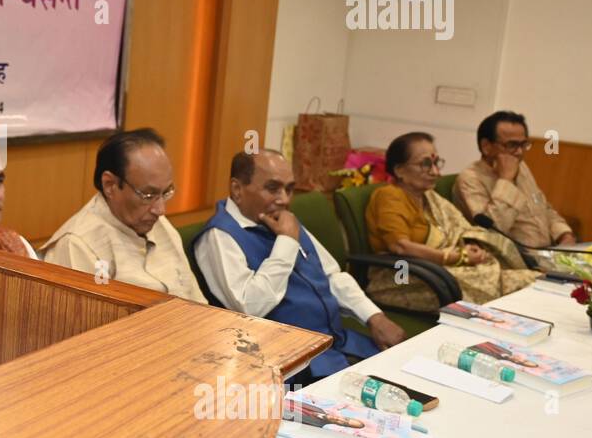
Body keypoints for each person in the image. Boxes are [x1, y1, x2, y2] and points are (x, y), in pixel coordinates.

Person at [193, 150, 405, 382]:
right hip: (290, 364)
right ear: (237, 189)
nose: (284, 199)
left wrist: (374, 316)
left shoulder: (282, 219)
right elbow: (249, 307)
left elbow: (332, 276)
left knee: (406, 376)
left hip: (336, 342)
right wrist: (286, 241)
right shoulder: (219, 235)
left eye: (289, 189)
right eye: (272, 188)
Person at [365, 131, 538, 310]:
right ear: (399, 170)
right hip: (402, 276)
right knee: (508, 284)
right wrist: (456, 257)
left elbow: (455, 230)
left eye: (436, 162)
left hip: (435, 269)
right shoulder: (389, 196)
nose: (435, 172)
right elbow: (400, 247)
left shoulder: (428, 197)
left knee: (523, 281)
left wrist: (467, 248)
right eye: (425, 164)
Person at [41, 129, 204, 301]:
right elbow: (91, 323)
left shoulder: (160, 223)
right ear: (110, 185)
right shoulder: (78, 245)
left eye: (166, 192)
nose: (160, 209)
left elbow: (199, 304)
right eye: (148, 195)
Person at [455, 110, 576, 248]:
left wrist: (565, 234)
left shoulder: (521, 167)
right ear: (486, 146)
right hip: (512, 260)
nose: (519, 152)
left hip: (548, 252)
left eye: (523, 145)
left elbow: (544, 208)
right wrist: (506, 180)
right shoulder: (470, 179)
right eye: (511, 145)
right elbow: (491, 232)